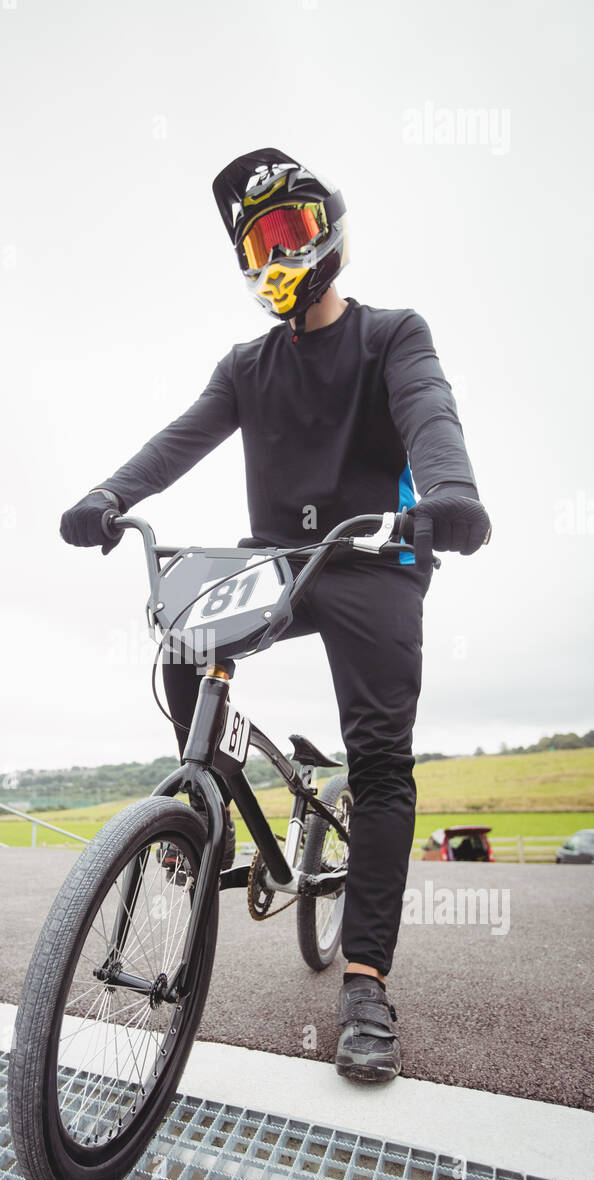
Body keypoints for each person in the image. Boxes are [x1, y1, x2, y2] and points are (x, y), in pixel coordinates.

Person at [59, 147, 491, 1083]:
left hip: (374, 554)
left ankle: (365, 983)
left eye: (289, 231)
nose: (275, 257)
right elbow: (179, 439)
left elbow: (431, 414)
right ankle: (201, 804)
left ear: (329, 230)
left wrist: (450, 493)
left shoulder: (392, 335)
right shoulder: (246, 367)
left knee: (381, 760)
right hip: (280, 561)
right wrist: (108, 493)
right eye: (258, 244)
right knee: (181, 632)